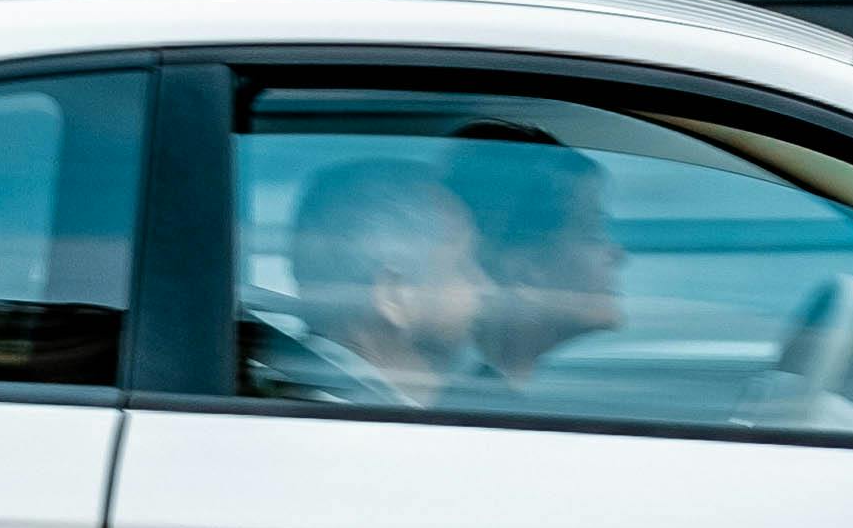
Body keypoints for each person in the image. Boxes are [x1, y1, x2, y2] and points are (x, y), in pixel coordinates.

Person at [260, 158, 486, 408]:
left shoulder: (316, 405)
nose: (483, 284)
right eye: (461, 266)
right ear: (395, 295)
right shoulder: (339, 428)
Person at [446, 135, 627, 393]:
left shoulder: (488, 403)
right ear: (522, 270)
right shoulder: (476, 413)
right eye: (593, 233)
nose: (618, 255)